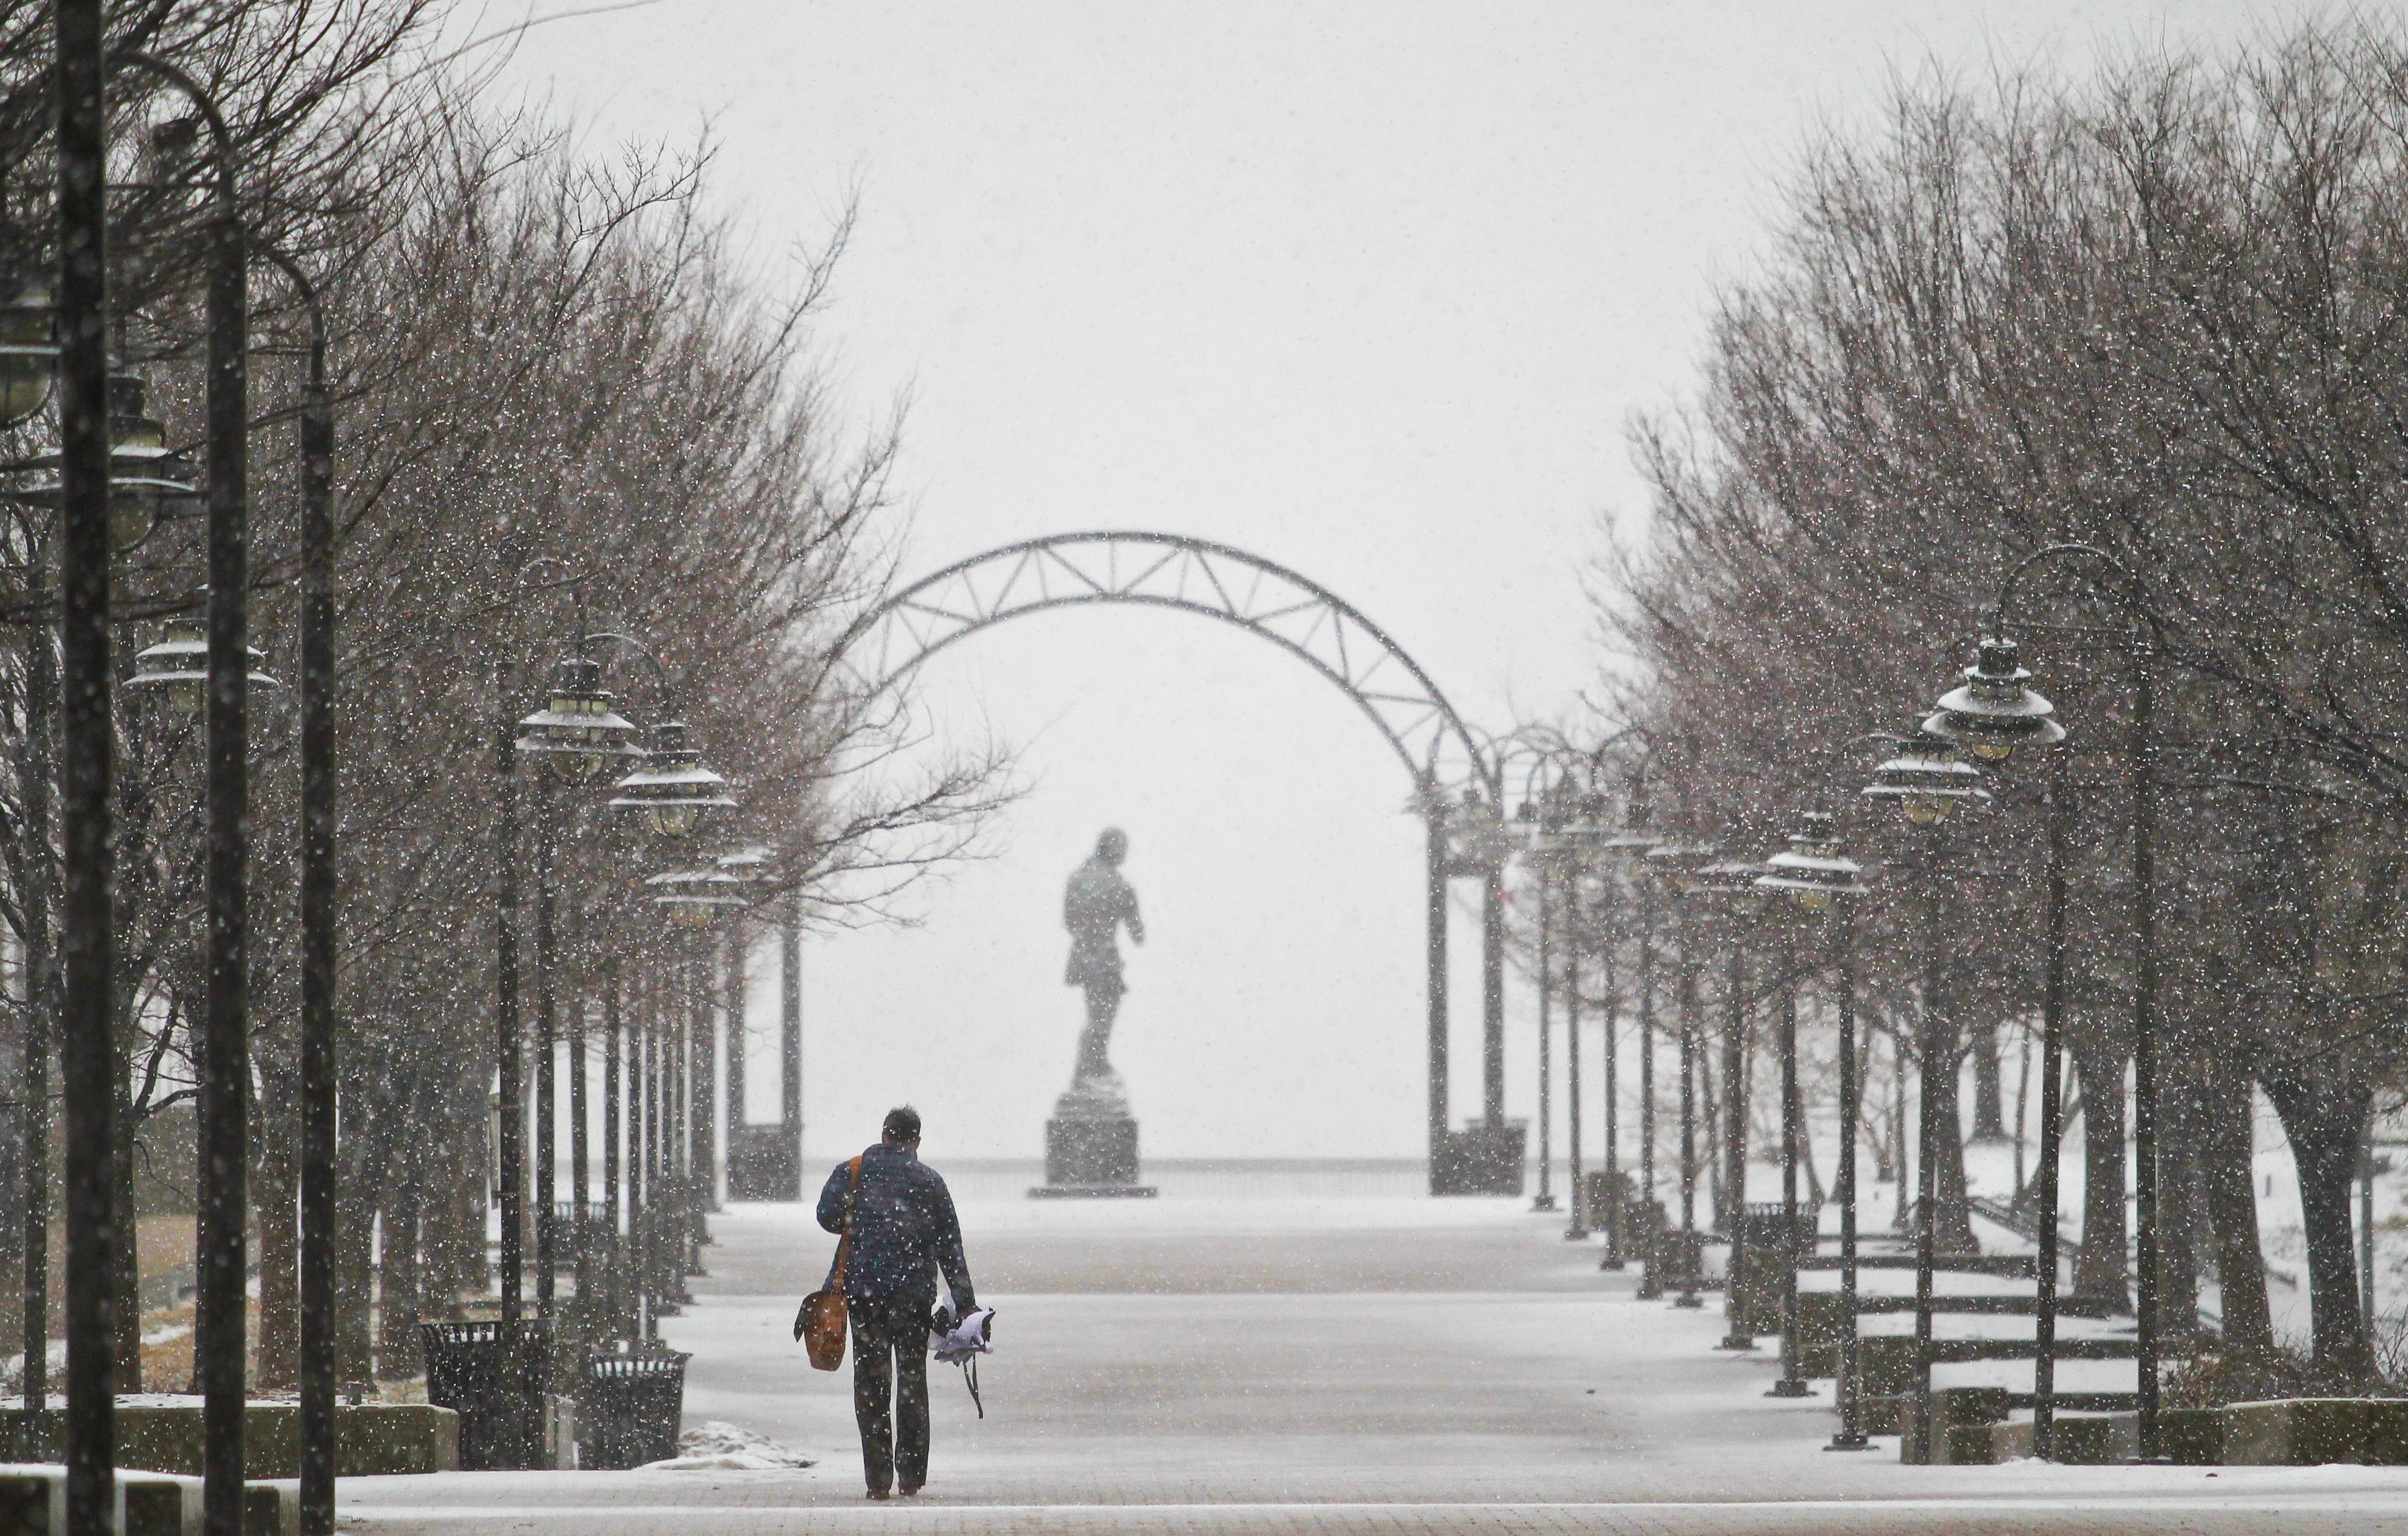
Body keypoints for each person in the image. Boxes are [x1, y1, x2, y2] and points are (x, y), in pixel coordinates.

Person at [816, 1105, 975, 1499]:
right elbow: (950, 1247)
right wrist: (966, 1304)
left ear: (884, 1135)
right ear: (917, 1141)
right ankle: (910, 1474)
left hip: (865, 1294)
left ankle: (878, 1480)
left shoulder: (852, 1172)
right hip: (912, 1297)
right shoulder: (930, 1182)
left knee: (871, 1383)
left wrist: (860, 1220)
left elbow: (827, 1217)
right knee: (911, 1382)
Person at [1063, 826, 1144, 1080]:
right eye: (1122, 848)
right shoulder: (1120, 885)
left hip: (1084, 954)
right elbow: (1137, 933)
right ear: (1110, 848)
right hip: (1105, 957)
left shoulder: (1077, 878)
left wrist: (1088, 932)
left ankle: (1091, 1063)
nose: (1124, 854)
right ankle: (1092, 1063)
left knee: (1096, 1012)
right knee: (1103, 1014)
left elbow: (1069, 920)